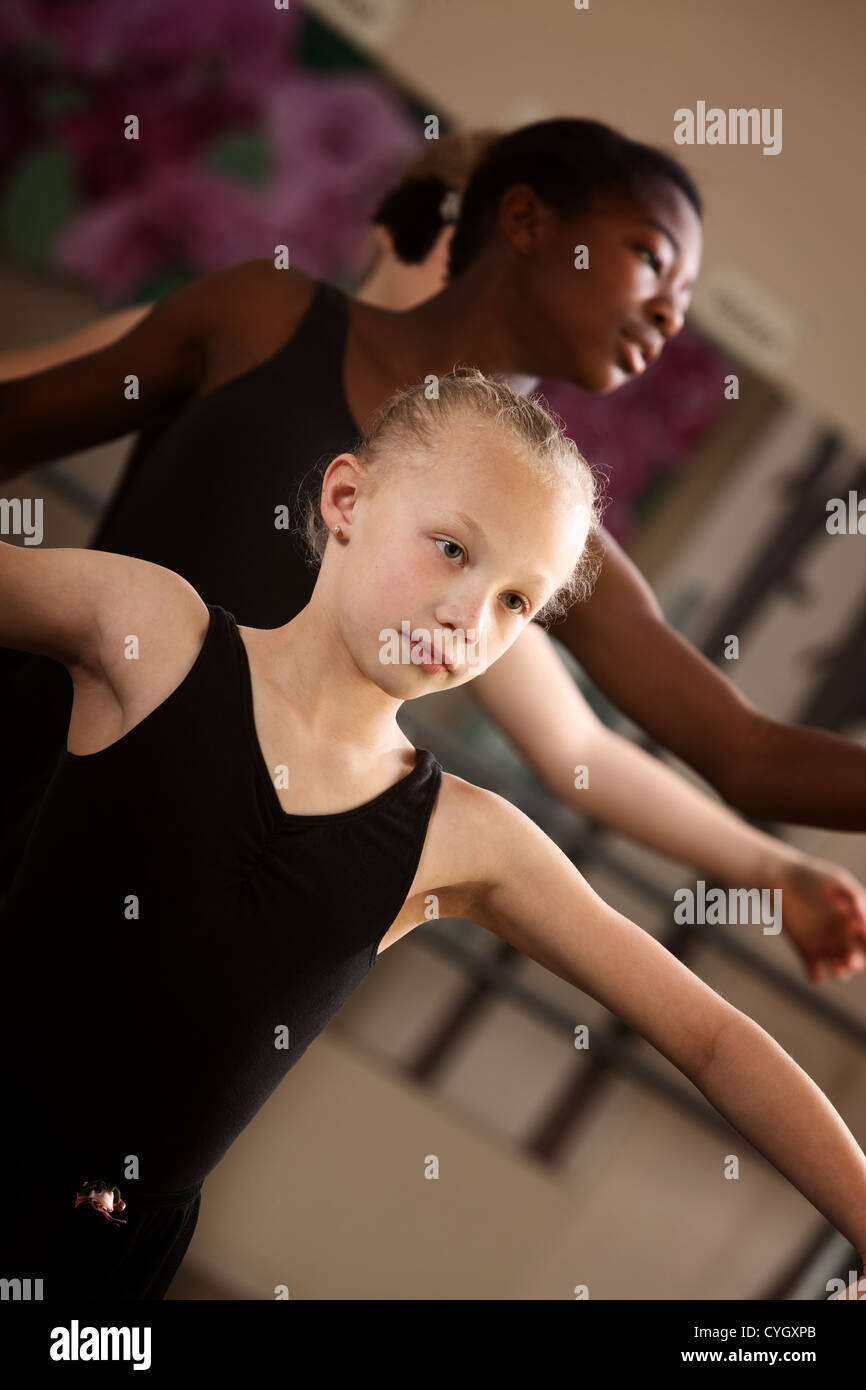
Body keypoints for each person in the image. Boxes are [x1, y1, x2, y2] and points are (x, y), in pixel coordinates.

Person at [1, 368, 864, 1301]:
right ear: (347, 498)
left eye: (516, 603)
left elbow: (713, 1040)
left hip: (95, 1263)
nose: (469, 618)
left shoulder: (465, 841)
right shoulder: (150, 632)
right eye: (453, 549)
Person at [1, 119, 864, 987]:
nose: (674, 313)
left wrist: (774, 870)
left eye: (684, 293)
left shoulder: (535, 544)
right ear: (525, 222)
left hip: (177, 903)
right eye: (650, 256)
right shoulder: (263, 317)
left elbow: (745, 755)